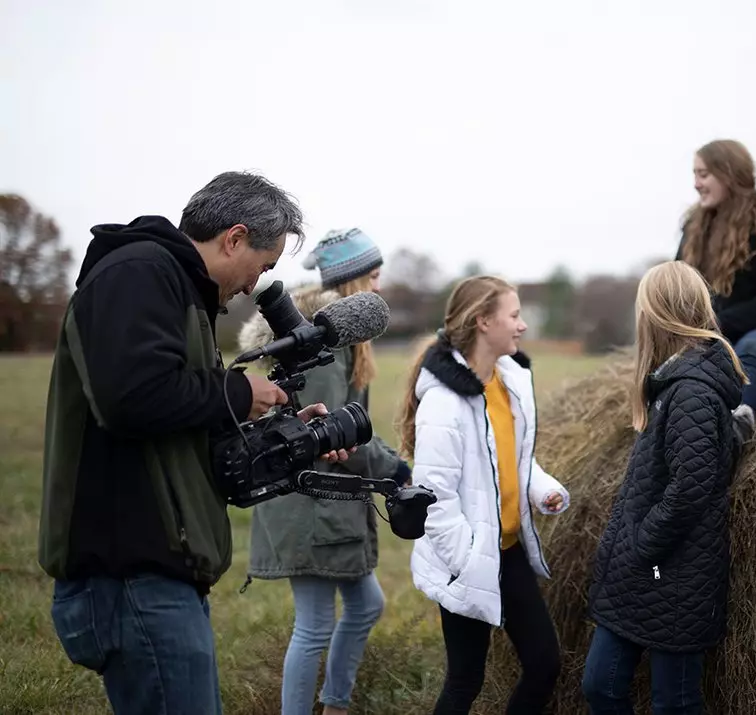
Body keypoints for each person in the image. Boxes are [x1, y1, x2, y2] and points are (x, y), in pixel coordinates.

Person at [37, 172, 349, 714]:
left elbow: (178, 426)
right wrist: (234, 389)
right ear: (234, 238)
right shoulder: (138, 274)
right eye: (263, 264)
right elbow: (129, 398)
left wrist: (288, 434)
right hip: (132, 576)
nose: (255, 285)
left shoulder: (178, 290)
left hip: (157, 576)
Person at [238, 228, 411, 715]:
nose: (379, 288)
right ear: (351, 282)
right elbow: (334, 430)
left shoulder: (341, 340)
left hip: (326, 500)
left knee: (364, 606)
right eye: (373, 277)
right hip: (308, 501)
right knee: (314, 625)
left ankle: (335, 705)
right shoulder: (322, 344)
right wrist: (396, 468)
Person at [398, 275, 570, 714]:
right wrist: (470, 561)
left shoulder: (509, 380)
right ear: (482, 321)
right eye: (513, 315)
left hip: (508, 550)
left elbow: (512, 460)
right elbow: (432, 500)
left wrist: (542, 489)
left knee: (544, 663)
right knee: (465, 680)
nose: (522, 326)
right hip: (467, 559)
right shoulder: (444, 402)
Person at [582, 260, 745, 715]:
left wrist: (642, 545)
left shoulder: (691, 389)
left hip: (672, 573)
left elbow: (690, 486)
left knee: (674, 703)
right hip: (648, 573)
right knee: (601, 686)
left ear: (657, 313)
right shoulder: (674, 381)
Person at [675, 139, 756, 448]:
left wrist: (717, 324)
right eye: (695, 174)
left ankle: (738, 424)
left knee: (750, 349)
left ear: (728, 174)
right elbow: (677, 283)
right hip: (706, 330)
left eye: (703, 175)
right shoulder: (694, 225)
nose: (696, 184)